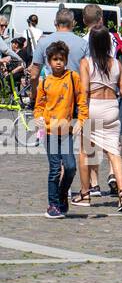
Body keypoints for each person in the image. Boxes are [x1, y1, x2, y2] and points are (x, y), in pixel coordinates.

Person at [72, 28, 122, 212]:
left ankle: (85, 193)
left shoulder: (86, 63)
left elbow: (83, 91)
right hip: (111, 107)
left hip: (93, 108)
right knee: (114, 152)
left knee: (85, 152)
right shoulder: (117, 64)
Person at [33, 40, 87, 218]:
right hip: (49, 132)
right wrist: (38, 118)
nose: (58, 62)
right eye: (55, 59)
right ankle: (53, 204)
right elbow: (39, 105)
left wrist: (81, 119)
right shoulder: (45, 82)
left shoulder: (73, 77)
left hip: (66, 132)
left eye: (61, 59)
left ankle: (63, 194)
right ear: (49, 61)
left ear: (66, 60)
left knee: (70, 167)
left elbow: (81, 100)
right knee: (55, 169)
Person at [26, 8, 88, 94]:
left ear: (55, 22)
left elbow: (34, 76)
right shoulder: (83, 44)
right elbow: (89, 73)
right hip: (74, 94)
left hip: (51, 95)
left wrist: (34, 95)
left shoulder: (43, 42)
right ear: (73, 23)